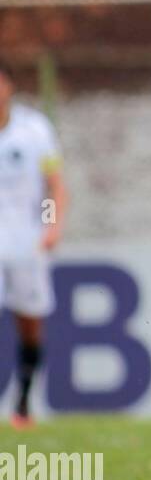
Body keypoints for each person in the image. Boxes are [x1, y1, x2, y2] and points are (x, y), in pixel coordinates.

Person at [0, 61, 66, 429]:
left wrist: (52, 224)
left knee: (29, 323)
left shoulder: (34, 129)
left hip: (27, 240)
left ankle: (23, 403)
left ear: (9, 86)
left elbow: (54, 183)